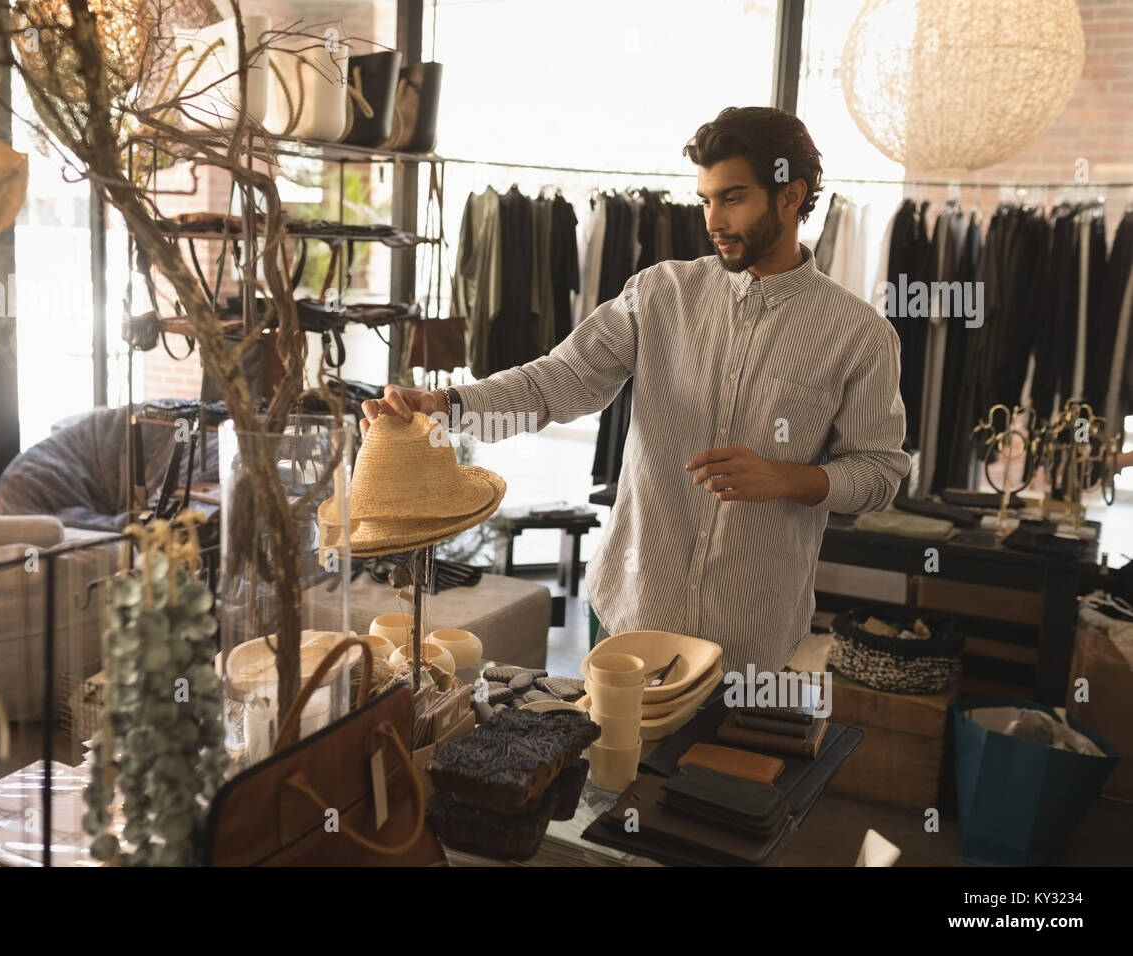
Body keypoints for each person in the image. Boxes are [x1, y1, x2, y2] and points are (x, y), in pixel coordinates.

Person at [361, 106, 911, 676]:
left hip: (752, 635)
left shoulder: (859, 335)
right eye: (706, 199)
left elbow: (880, 473)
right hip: (631, 611)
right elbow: (557, 381)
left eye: (734, 198)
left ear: (791, 196)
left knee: (722, 769)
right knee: (611, 766)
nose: (713, 220)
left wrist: (787, 478)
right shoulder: (660, 293)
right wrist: (447, 406)